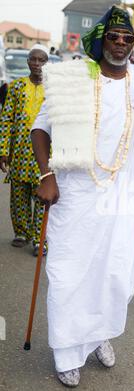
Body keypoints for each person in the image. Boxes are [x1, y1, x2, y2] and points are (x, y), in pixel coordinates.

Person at [31, 5, 134, 388]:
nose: (120, 44)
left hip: (123, 200)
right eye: (113, 37)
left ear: (133, 45)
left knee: (116, 276)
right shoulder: (75, 81)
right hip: (75, 196)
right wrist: (47, 175)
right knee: (70, 273)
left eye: (127, 39)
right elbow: (41, 129)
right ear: (100, 40)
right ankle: (68, 350)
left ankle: (98, 333)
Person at [0, 45, 49, 256]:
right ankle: (21, 232)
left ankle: (40, 239)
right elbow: (6, 120)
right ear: (28, 62)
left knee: (42, 198)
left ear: (48, 64)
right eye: (33, 59)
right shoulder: (16, 87)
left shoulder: (54, 89)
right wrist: (3, 150)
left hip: (46, 155)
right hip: (19, 152)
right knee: (18, 197)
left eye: (42, 60)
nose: (37, 64)